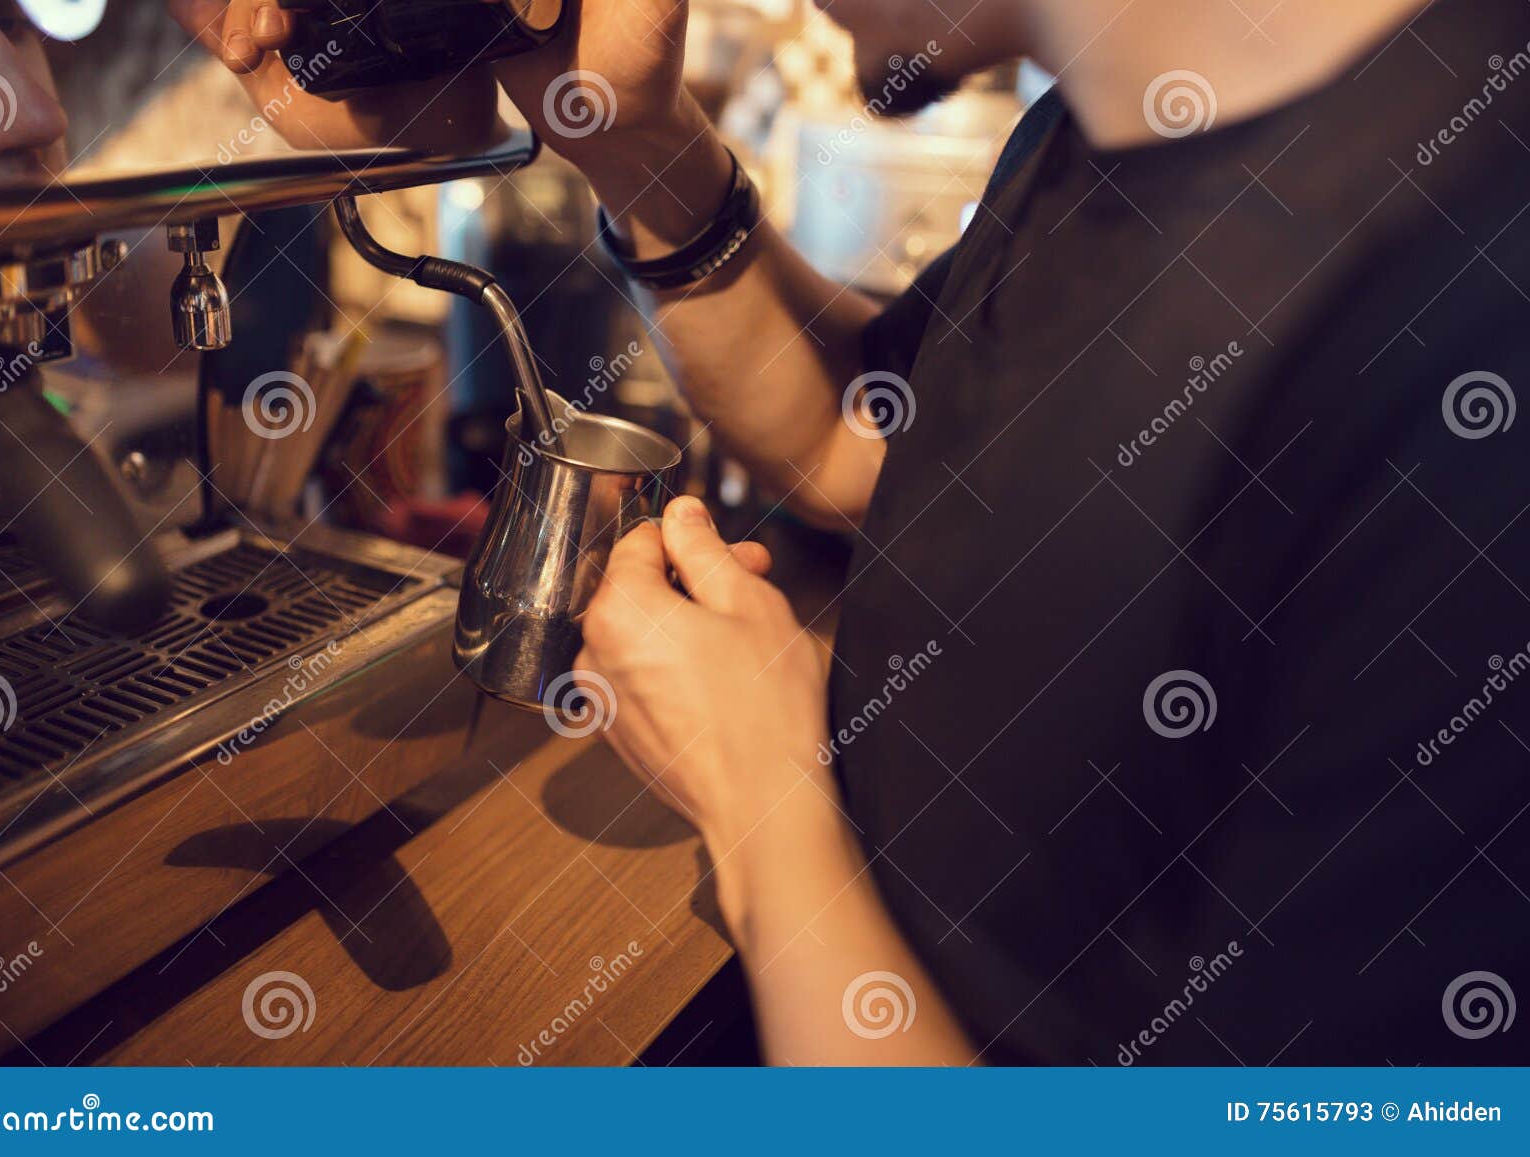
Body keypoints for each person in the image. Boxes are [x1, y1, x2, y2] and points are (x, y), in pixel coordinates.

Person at [185, 0, 1529, 1065]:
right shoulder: (1101, 131)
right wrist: (627, 132)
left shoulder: (1468, 321)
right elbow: (860, 445)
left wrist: (762, 794)